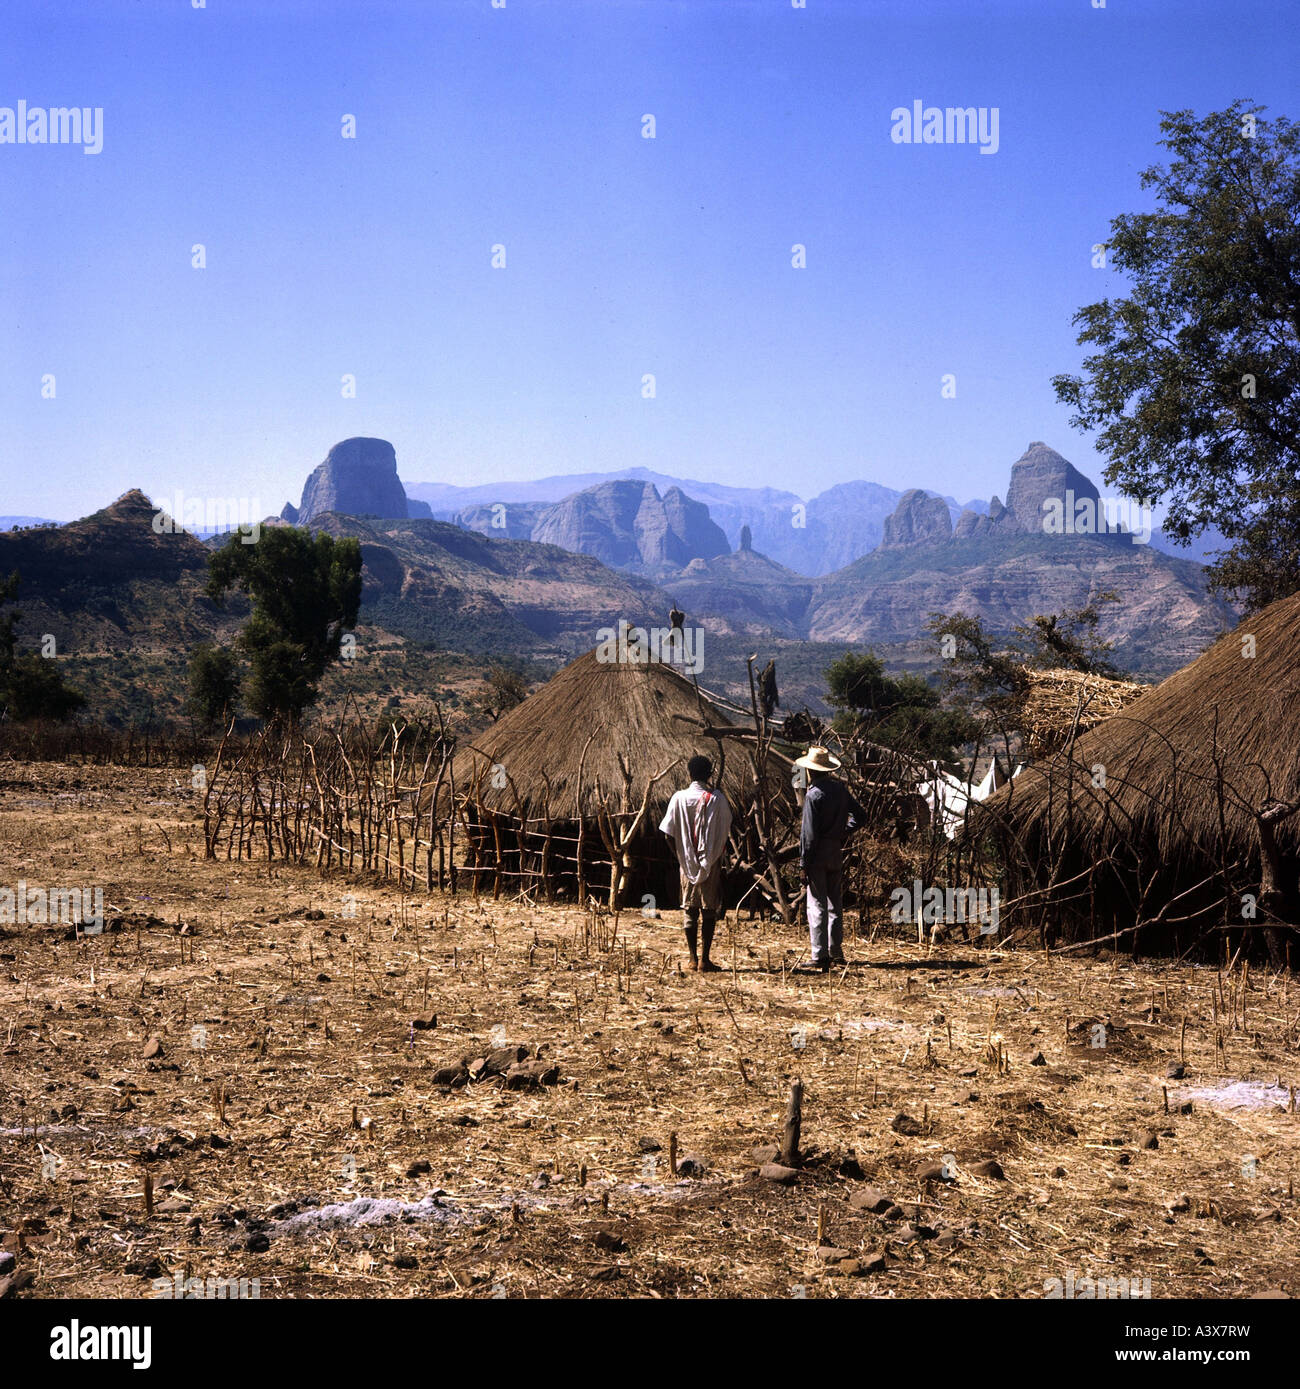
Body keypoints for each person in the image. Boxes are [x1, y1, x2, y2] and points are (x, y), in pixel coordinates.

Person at [795, 745, 868, 972]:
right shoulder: (840, 790)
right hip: (836, 850)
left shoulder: (813, 795)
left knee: (816, 903)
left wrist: (803, 864)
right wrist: (843, 831)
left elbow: (808, 835)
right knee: (835, 903)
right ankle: (836, 951)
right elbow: (862, 816)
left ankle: (820, 954)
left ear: (811, 771)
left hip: (817, 854)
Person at [659, 753, 732, 972]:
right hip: (711, 862)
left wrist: (680, 855)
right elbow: (725, 829)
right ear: (709, 774)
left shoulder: (679, 798)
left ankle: (692, 958)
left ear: (689, 774)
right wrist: (713, 854)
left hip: (687, 863)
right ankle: (705, 960)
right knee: (709, 910)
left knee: (690, 909)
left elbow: (667, 833)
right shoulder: (717, 799)